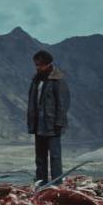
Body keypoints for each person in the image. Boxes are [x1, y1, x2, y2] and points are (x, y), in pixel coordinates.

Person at [27, 49, 70, 186]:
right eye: (36, 65)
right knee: (40, 157)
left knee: (55, 157)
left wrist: (59, 123)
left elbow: (63, 103)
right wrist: (31, 122)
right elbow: (32, 102)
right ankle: (41, 183)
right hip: (39, 125)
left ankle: (57, 184)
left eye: (39, 65)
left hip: (52, 125)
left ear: (47, 64)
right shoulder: (36, 80)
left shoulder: (58, 80)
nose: (37, 67)